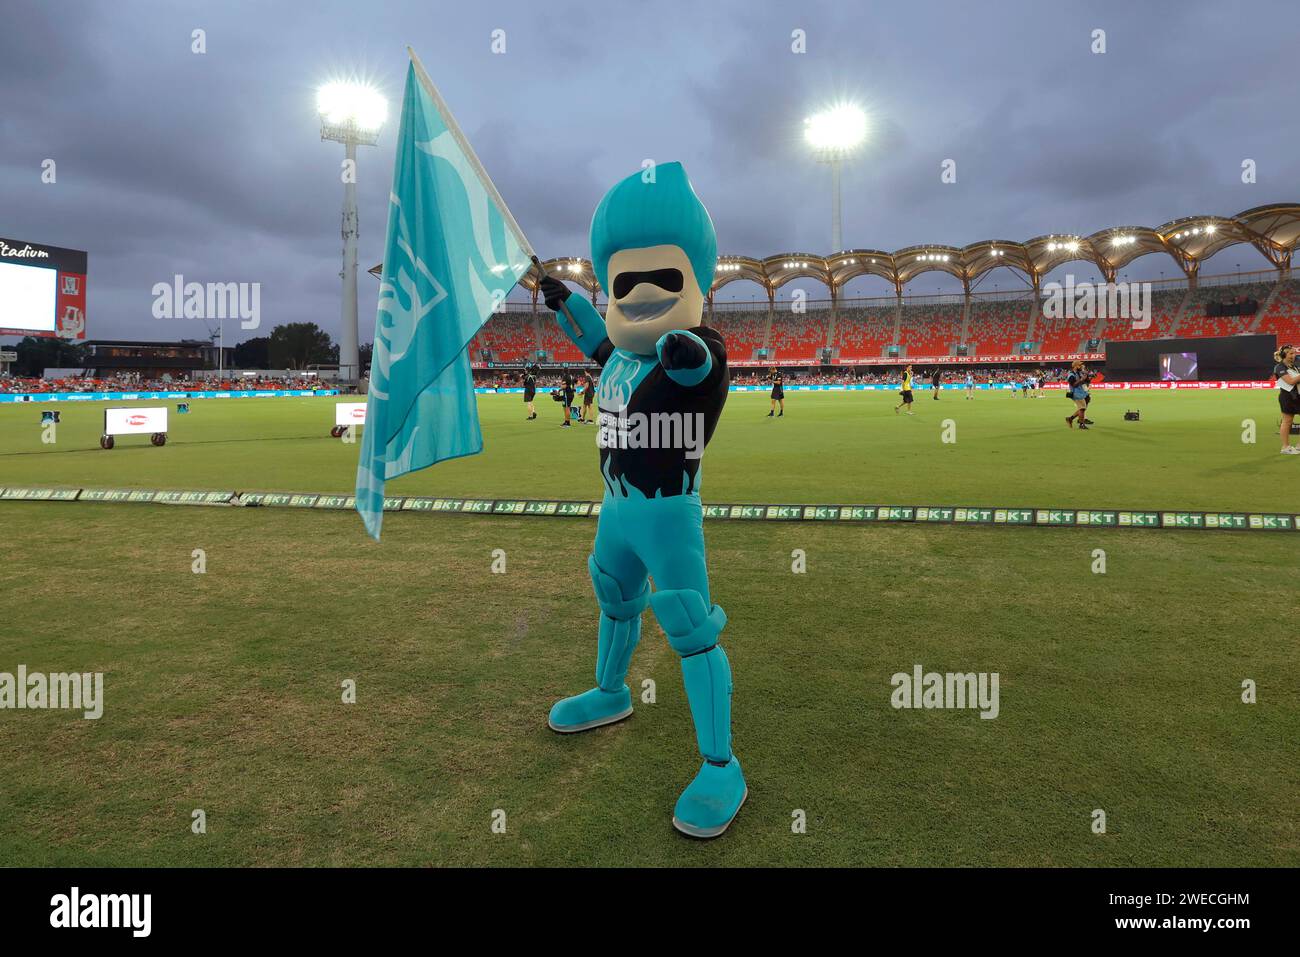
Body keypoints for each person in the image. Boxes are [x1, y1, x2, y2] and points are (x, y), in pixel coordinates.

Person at [538, 162, 745, 838]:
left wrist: (682, 348)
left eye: (664, 277)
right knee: (613, 595)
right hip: (617, 508)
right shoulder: (621, 360)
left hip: (668, 510)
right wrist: (560, 296)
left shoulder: (692, 351)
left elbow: (699, 361)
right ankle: (610, 691)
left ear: (696, 279)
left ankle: (721, 763)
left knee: (689, 623)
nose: (644, 293)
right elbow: (594, 341)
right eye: (624, 281)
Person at [1274, 344, 1300, 454]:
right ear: (1284, 354)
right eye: (1291, 353)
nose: (1293, 355)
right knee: (1287, 421)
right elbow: (1290, 381)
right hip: (1287, 397)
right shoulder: (1280, 367)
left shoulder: (1293, 366)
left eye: (1294, 353)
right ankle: (1285, 447)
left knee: (1287, 421)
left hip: (1297, 396)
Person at [1065, 360, 1091, 429]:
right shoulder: (1071, 375)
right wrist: (1082, 379)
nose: (1081, 366)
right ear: (1075, 366)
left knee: (1082, 408)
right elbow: (1073, 385)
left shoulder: (1079, 373)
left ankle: (1070, 419)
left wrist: (1087, 376)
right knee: (1082, 408)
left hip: (1081, 393)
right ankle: (1081, 424)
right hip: (1076, 393)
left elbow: (1086, 382)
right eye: (1079, 365)